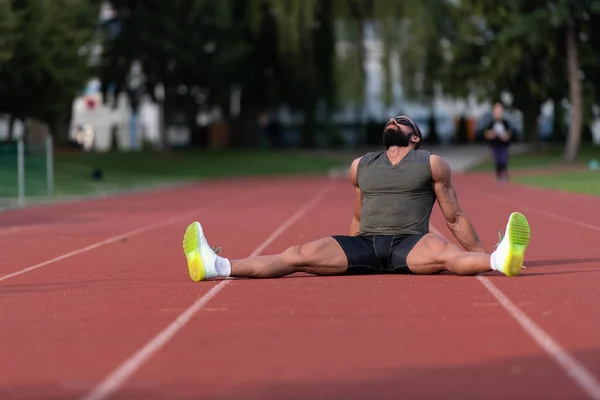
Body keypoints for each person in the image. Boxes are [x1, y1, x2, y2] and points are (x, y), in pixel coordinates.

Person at [182, 116, 531, 281]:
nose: (394, 121)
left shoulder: (431, 163)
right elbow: (357, 215)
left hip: (409, 243)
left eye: (403, 121)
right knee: (296, 255)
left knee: (446, 256)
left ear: (415, 138)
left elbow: (454, 218)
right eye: (392, 120)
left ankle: (498, 260)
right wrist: (347, 250)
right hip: (364, 245)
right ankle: (216, 266)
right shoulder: (360, 165)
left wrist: (479, 253)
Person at [484, 102, 514, 182]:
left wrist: (506, 136)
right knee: (497, 160)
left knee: (503, 159)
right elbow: (487, 133)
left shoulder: (505, 122)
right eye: (496, 111)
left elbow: (509, 132)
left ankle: (505, 173)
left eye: (499, 111)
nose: (497, 113)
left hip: (503, 144)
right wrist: (491, 134)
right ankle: (499, 175)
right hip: (495, 144)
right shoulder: (491, 123)